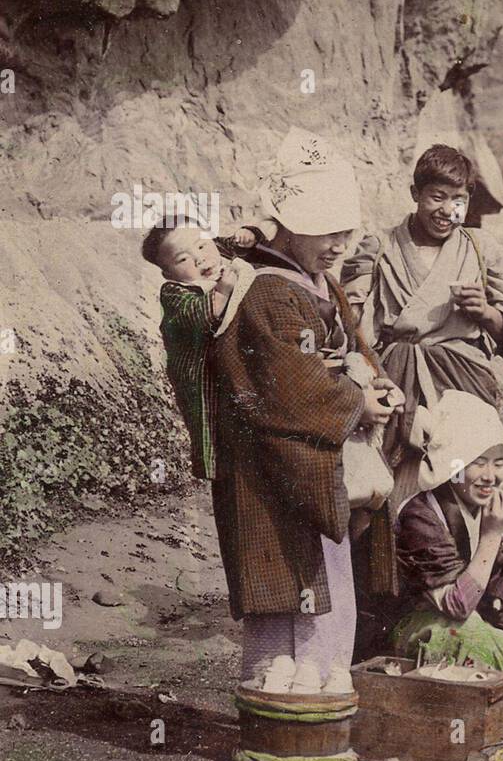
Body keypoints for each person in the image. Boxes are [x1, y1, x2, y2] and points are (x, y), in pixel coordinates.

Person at [211, 130, 399, 685]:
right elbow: (286, 382)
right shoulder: (268, 289)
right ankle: (286, 704)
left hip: (316, 453)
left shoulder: (317, 281)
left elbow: (355, 349)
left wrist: (379, 384)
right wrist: (357, 402)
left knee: (322, 578)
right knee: (289, 582)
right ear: (285, 226)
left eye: (344, 230)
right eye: (323, 231)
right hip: (278, 460)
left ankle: (316, 695)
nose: (338, 243)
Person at [340, 144, 503, 521]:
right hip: (395, 381)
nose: (448, 211)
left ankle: (462, 575)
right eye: (437, 197)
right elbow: (351, 321)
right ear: (415, 194)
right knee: (391, 489)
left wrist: (487, 312)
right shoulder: (378, 247)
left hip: (463, 382)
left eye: (459, 200)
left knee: (460, 486)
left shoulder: (484, 251)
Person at [370, 390, 503, 686]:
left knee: (493, 642)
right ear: (453, 463)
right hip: (422, 626)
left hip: (478, 625)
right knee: (468, 632)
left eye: (498, 462)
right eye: (478, 462)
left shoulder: (495, 508)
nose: (490, 476)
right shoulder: (421, 514)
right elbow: (457, 606)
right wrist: (490, 537)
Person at [143, 217, 277, 480]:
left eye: (202, 246)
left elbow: (247, 244)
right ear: (168, 273)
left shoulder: (217, 253)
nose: (199, 259)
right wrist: (222, 292)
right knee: (219, 439)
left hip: (240, 372)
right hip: (204, 376)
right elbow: (197, 316)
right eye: (183, 259)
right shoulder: (175, 292)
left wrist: (249, 234)